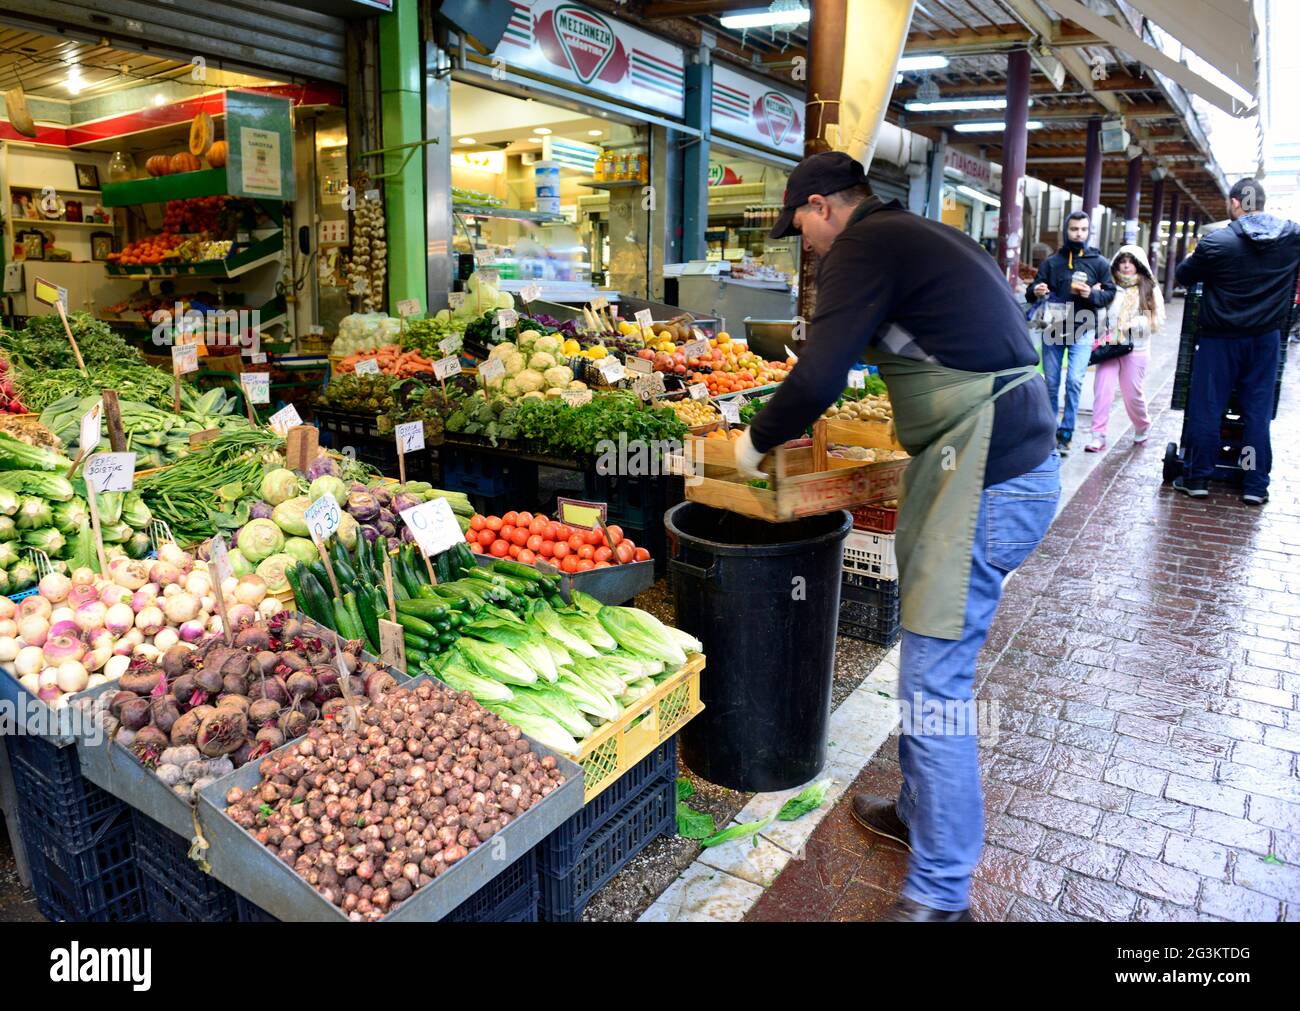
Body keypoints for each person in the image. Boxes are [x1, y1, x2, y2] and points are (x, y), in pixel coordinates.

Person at [737, 151, 1060, 922]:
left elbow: (819, 376)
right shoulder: (917, 235)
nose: (806, 244)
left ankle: (942, 893)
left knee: (934, 684)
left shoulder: (862, 246)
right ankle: (918, 812)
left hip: (985, 475)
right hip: (995, 465)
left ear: (823, 206)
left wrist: (756, 440)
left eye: (801, 227)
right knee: (928, 661)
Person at [1174, 178, 1300, 505]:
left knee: (1208, 407)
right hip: (1266, 339)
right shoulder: (1292, 238)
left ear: (1234, 203)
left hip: (1219, 339)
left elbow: (1183, 276)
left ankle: (1197, 478)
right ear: (1262, 202)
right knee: (1257, 411)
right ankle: (1254, 485)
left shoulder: (1218, 242)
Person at [1031, 211, 1117, 455]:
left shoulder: (1099, 262)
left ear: (1088, 232)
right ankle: (1050, 432)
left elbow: (1110, 293)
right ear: (1066, 231)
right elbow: (1034, 288)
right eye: (1074, 229)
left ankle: (1066, 432)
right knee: (1051, 383)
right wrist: (1036, 290)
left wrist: (1092, 294)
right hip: (1053, 328)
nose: (1079, 234)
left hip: (1084, 327)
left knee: (1075, 381)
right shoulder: (1051, 262)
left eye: (1083, 229)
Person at [1085, 245, 1165, 453]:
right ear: (1116, 263)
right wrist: (1097, 300)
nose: (1126, 266)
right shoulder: (1109, 285)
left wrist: (1133, 323)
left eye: (1131, 262)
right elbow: (1098, 315)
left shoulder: (1149, 287)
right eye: (1123, 261)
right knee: (1102, 390)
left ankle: (1142, 425)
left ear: (1139, 264)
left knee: (1132, 394)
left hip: (1136, 348)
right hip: (1110, 347)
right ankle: (1097, 435)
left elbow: (1157, 321)